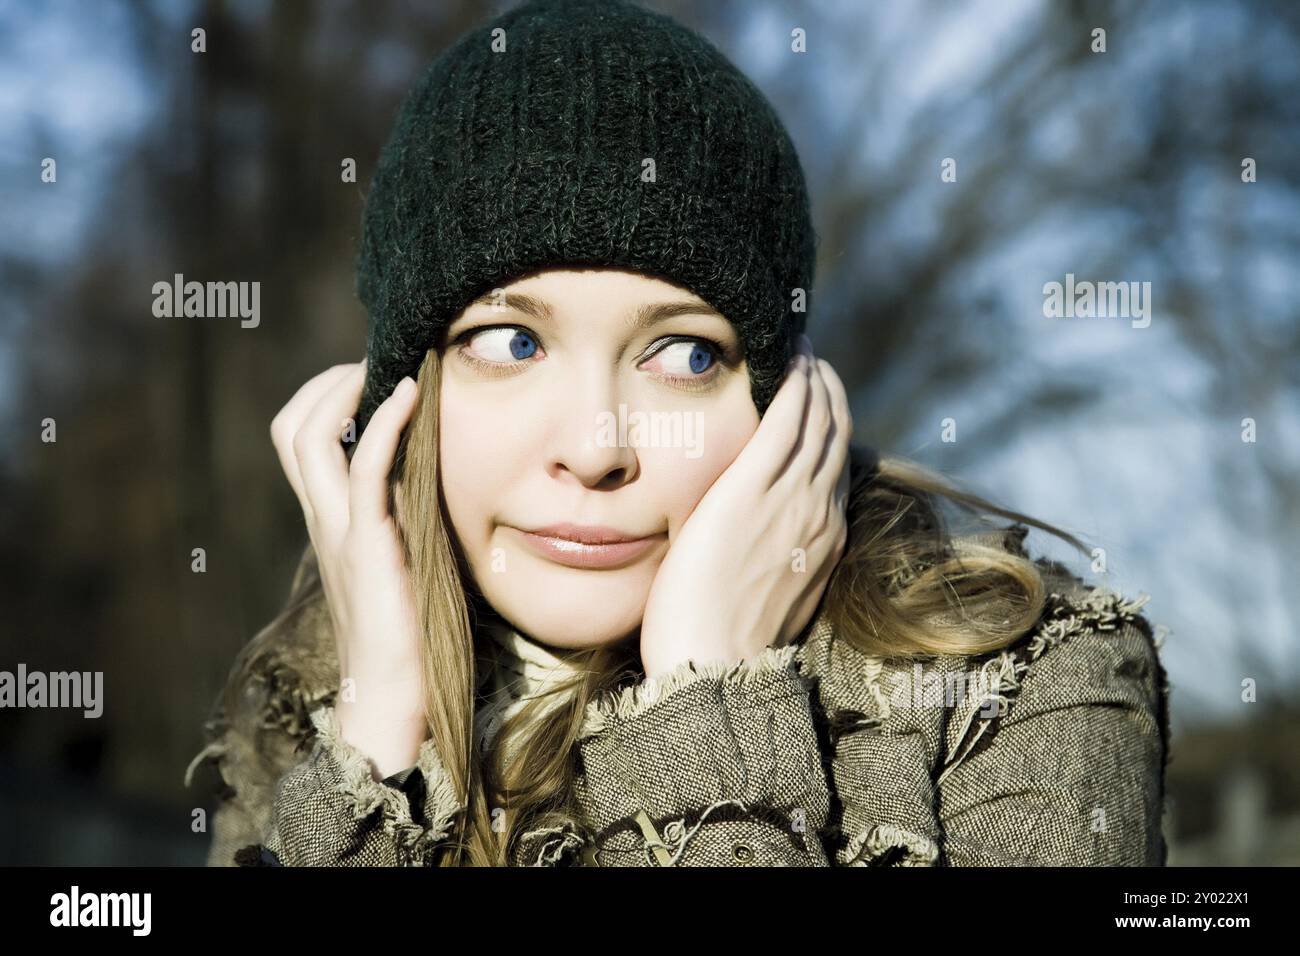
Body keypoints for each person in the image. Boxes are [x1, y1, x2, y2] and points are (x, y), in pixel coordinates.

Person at [185, 0, 1171, 867]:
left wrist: (714, 710)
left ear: (785, 397)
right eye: (511, 339)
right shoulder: (304, 708)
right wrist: (376, 747)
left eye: (687, 354)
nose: (598, 445)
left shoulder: (1019, 676)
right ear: (408, 391)